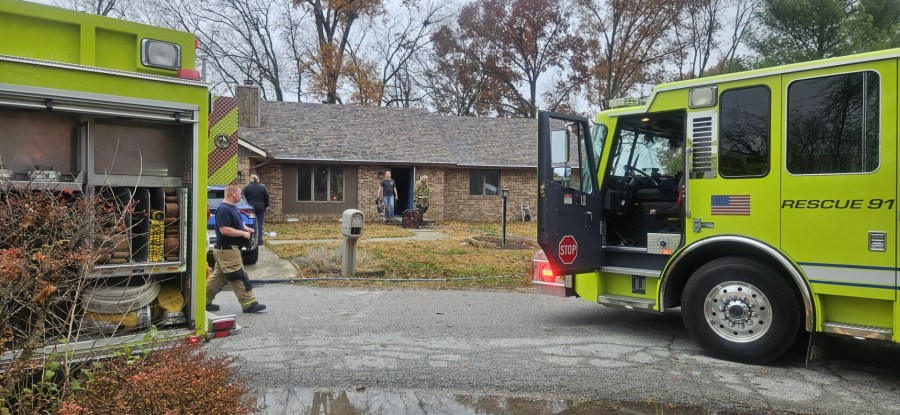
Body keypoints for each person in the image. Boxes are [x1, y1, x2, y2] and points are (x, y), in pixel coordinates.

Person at [207, 185, 267, 313]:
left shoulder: (232, 207)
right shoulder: (223, 209)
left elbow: (237, 222)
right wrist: (242, 234)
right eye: (240, 194)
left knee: (219, 277)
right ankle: (249, 303)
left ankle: (203, 301)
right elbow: (224, 230)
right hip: (227, 250)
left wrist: (245, 227)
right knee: (237, 275)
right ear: (233, 194)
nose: (241, 196)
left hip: (227, 250)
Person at [243, 174, 269, 245]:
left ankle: (250, 240)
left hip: (250, 208)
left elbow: (243, 198)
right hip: (261, 208)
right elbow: (267, 197)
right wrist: (265, 206)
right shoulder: (263, 187)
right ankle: (259, 241)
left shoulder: (247, 188)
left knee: (250, 224)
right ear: (258, 179)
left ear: (250, 179)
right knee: (259, 224)